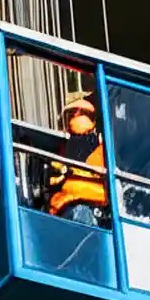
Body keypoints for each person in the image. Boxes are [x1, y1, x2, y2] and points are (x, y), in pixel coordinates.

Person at [46, 95, 108, 226]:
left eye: (77, 112)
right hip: (76, 206)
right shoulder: (99, 146)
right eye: (73, 113)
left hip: (77, 206)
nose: (75, 115)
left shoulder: (68, 146)